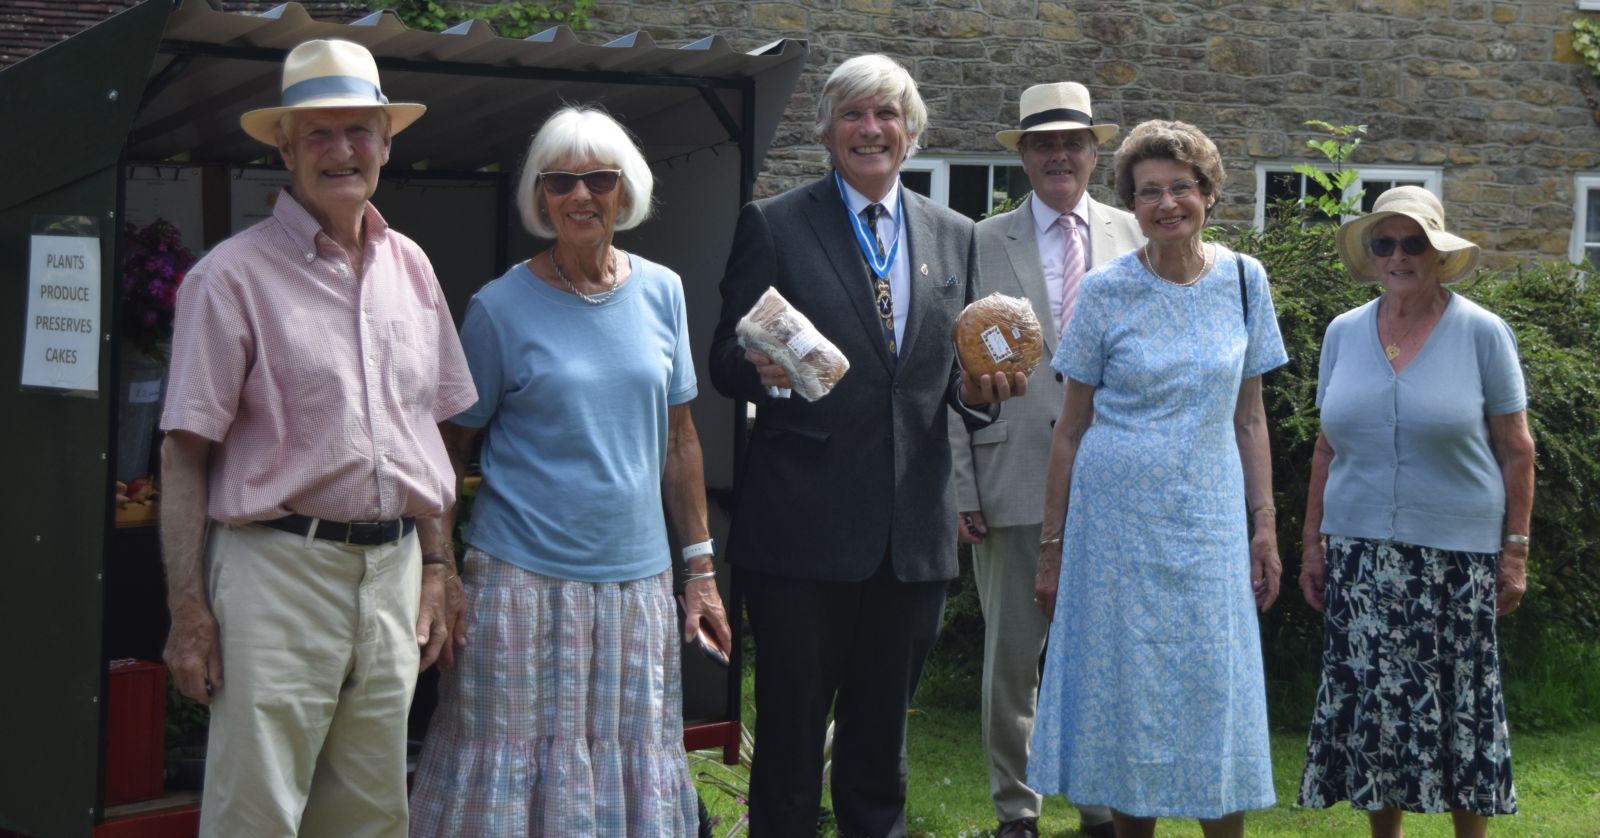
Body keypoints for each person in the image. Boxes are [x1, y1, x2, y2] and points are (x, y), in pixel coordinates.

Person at [158, 39, 476, 837]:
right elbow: (183, 452)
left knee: (371, 809)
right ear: (285, 147)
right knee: (257, 807)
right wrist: (188, 607)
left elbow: (428, 431)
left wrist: (438, 564)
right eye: (319, 135)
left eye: (359, 132)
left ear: (386, 141)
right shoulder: (229, 278)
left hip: (394, 571)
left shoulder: (411, 266)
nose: (343, 152)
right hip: (277, 571)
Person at [708, 54, 1025, 838]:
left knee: (880, 747)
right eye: (853, 114)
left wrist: (982, 399)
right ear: (825, 130)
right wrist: (756, 368)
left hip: (911, 538)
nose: (870, 129)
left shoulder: (956, 236)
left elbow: (955, 377)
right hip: (799, 538)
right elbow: (720, 356)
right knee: (786, 744)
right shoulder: (774, 223)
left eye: (886, 114)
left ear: (911, 133)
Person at [407, 105, 732, 837]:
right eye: (561, 181)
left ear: (626, 190)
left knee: (628, 759)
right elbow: (445, 448)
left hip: (636, 587)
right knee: (514, 762)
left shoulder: (663, 292)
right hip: (521, 582)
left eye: (598, 179)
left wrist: (700, 570)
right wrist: (442, 569)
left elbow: (680, 441)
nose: (580, 196)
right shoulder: (497, 309)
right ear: (540, 195)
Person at [1028, 119, 1286, 838]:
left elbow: (1250, 420)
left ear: (1208, 194)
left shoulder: (1243, 280)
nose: (1166, 203)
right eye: (1149, 192)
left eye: (1180, 188)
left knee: (1214, 685)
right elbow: (1071, 429)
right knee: (1130, 689)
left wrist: (1263, 526)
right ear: (1131, 203)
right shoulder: (1106, 291)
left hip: (1207, 521)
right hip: (1114, 525)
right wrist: (1051, 546)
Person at [1296, 186, 1533, 837]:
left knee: (1462, 713)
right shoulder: (1343, 333)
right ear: (1373, 255)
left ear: (1437, 253)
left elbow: (1518, 451)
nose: (1398, 256)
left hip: (1457, 559)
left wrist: (1515, 551)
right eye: (1385, 243)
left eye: (1413, 243)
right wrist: (1312, 545)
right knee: (1375, 712)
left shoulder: (1482, 332)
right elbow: (1325, 446)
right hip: (1360, 554)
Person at [947, 81, 1141, 838]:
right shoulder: (979, 241)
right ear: (1024, 156)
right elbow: (952, 370)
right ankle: (1016, 811)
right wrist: (965, 482)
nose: (1060, 154)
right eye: (1043, 142)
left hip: (1118, 480)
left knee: (1100, 658)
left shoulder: (1135, 235)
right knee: (1011, 663)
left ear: (1095, 152)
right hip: (1011, 475)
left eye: (1074, 141)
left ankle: (1098, 805)